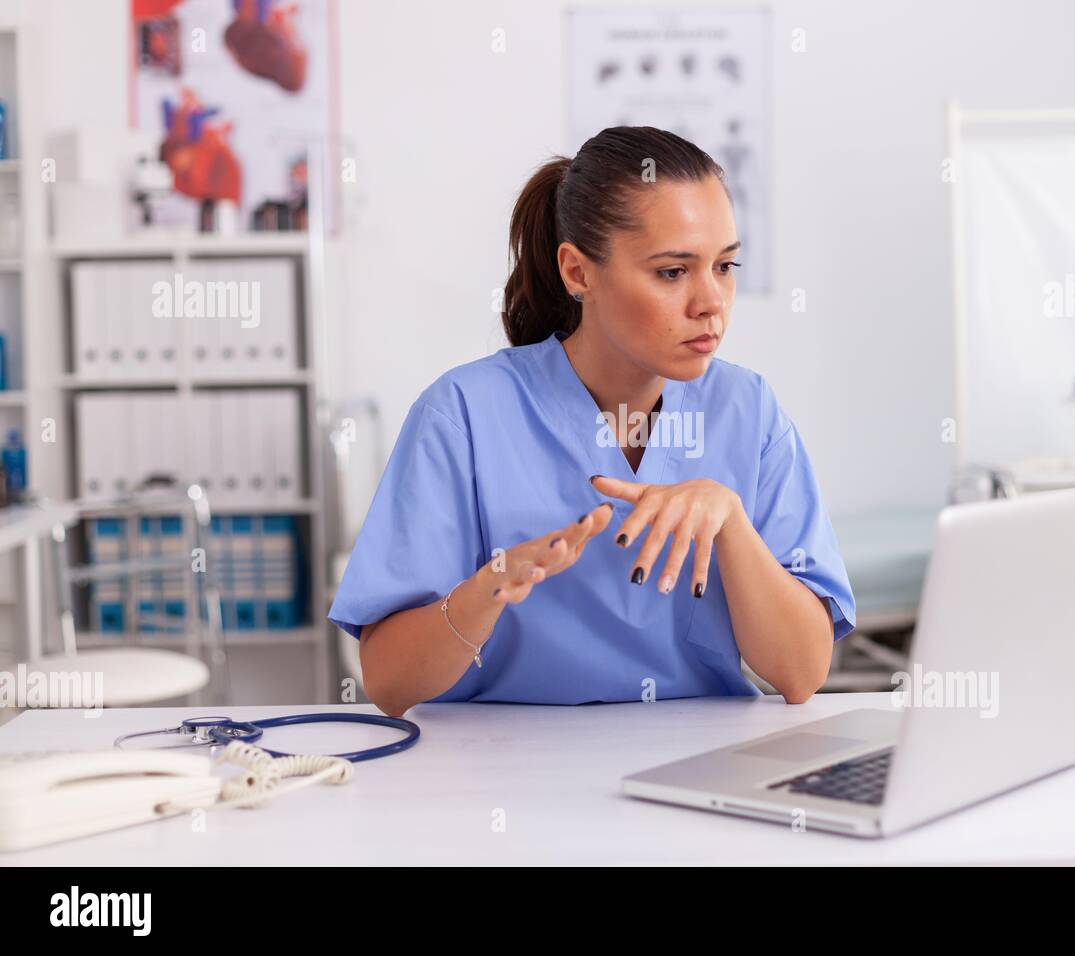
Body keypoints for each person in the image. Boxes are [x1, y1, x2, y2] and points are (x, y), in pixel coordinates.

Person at [328, 126, 856, 712]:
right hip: (498, 771)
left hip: (695, 773)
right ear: (578, 273)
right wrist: (489, 587)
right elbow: (387, 682)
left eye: (725, 266)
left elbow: (802, 674)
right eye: (673, 272)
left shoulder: (749, 412)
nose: (711, 301)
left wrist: (731, 523)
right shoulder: (462, 415)